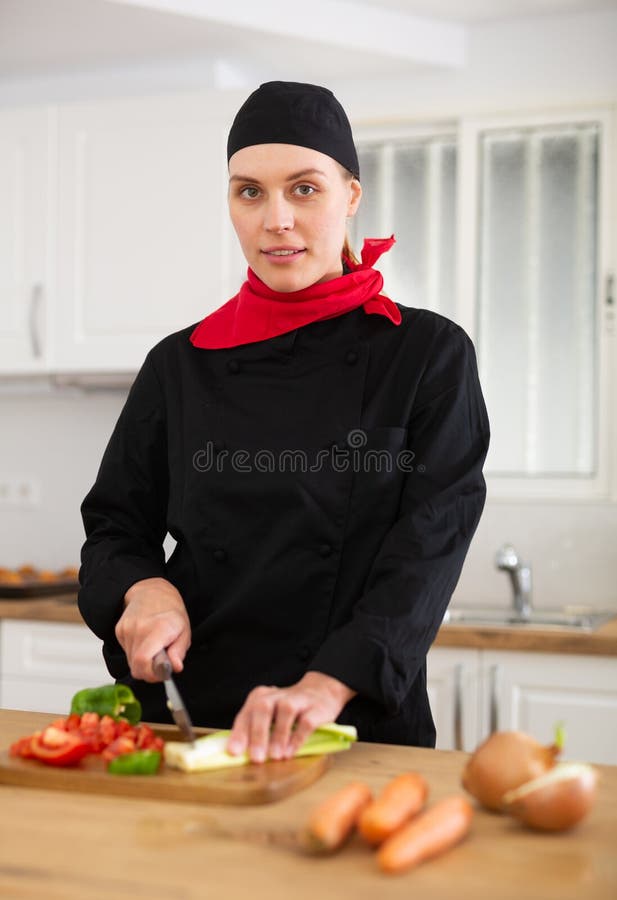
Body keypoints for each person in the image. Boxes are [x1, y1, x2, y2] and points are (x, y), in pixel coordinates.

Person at [78, 81, 490, 763]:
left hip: (350, 722)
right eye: (249, 192)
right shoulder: (179, 364)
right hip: (191, 720)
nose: (275, 219)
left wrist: (326, 686)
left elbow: (427, 548)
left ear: (350, 196)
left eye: (303, 189)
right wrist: (145, 590)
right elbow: (117, 526)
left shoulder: (425, 355)